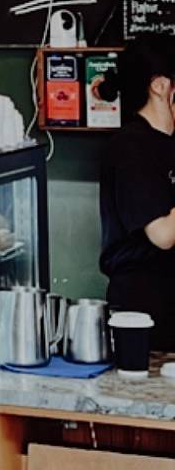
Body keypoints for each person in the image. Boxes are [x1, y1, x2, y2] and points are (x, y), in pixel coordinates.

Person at [99, 33, 175, 350]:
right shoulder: (131, 147)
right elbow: (163, 233)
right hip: (145, 310)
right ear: (159, 86)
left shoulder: (168, 143)